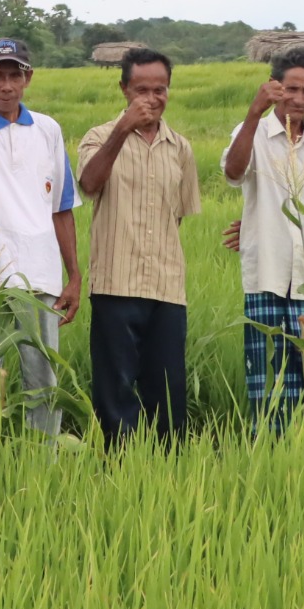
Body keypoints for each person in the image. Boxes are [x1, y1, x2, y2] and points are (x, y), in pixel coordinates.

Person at [0, 37, 81, 437]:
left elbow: (61, 206)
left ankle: (43, 459)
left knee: (44, 380)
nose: (6, 86)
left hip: (40, 274)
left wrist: (74, 276)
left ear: (28, 78)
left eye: (14, 76)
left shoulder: (48, 129)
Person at [76, 47, 202, 445]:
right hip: (115, 283)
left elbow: (177, 215)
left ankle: (168, 466)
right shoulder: (99, 137)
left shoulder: (180, 148)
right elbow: (89, 184)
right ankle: (118, 464)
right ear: (124, 89)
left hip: (167, 286)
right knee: (114, 388)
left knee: (168, 389)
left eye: (159, 89)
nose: (151, 98)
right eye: (141, 90)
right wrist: (122, 130)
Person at [221, 47, 304, 433]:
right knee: (267, 381)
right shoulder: (253, 132)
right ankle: (268, 450)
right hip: (267, 275)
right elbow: (234, 173)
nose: (300, 99)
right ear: (274, 87)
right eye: (292, 89)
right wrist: (254, 113)